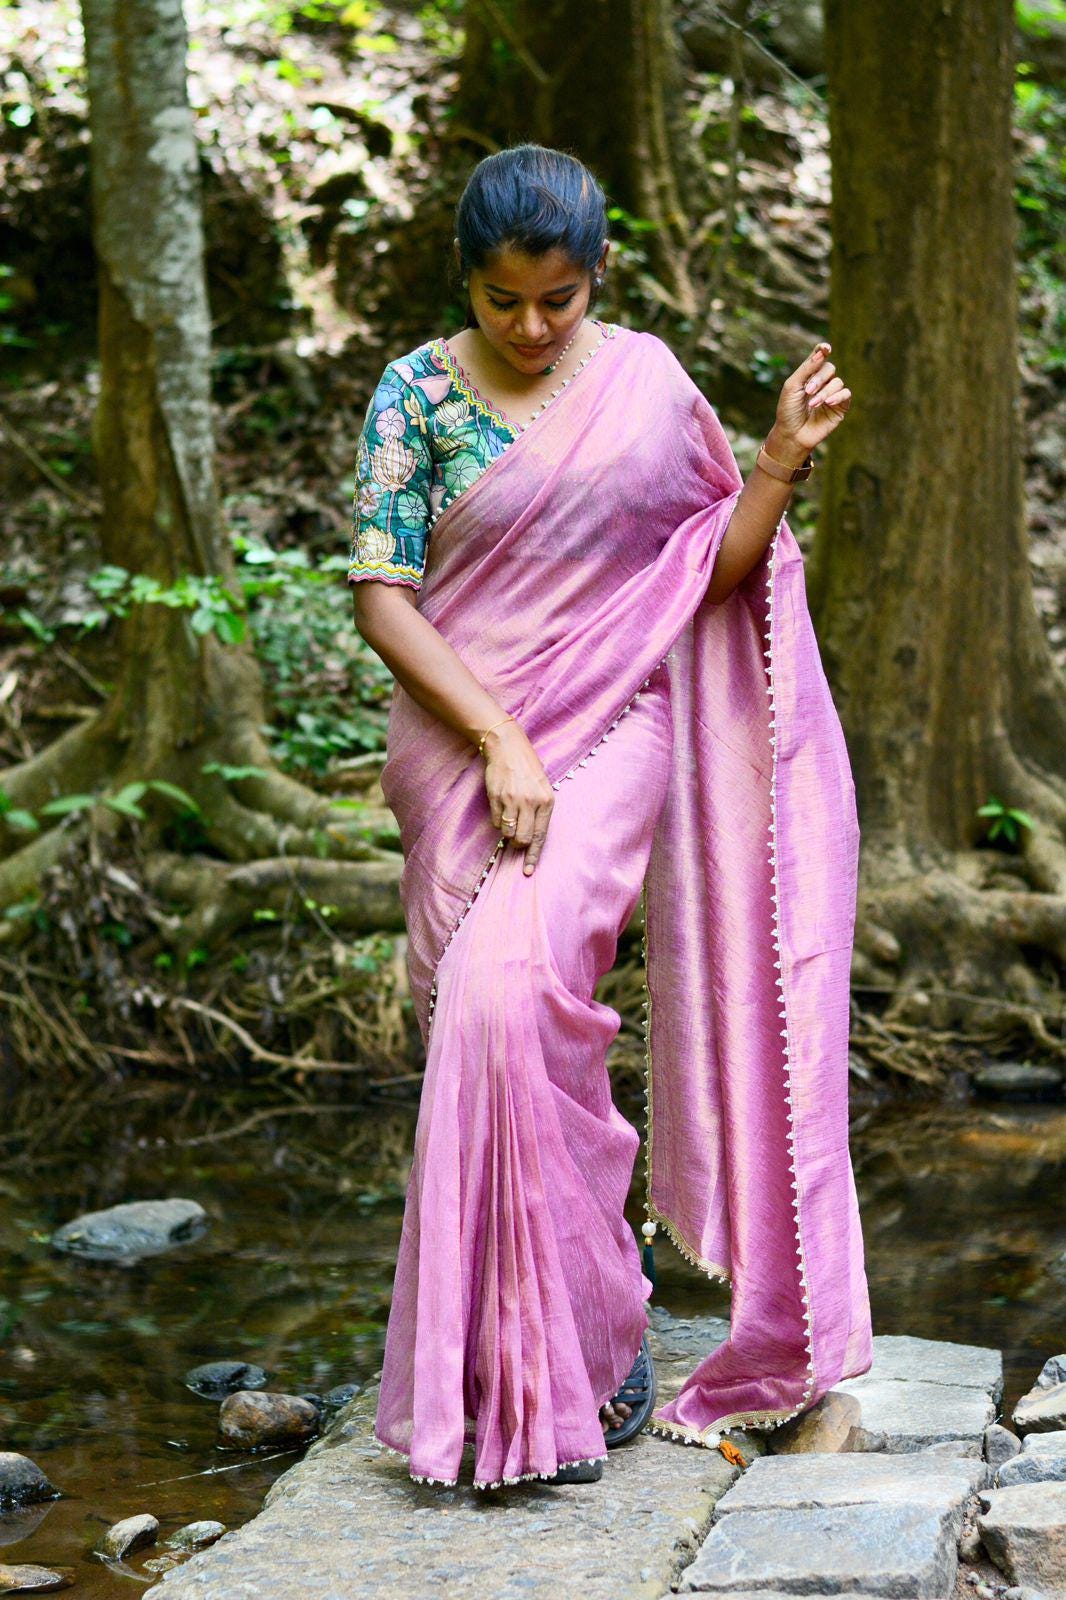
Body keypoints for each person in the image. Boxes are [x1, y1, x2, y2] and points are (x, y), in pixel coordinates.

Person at [347, 142, 874, 1492]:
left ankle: (579, 1345)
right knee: (486, 1024)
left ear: (595, 283)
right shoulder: (411, 393)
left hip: (616, 726)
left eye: (558, 301)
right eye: (501, 301)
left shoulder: (641, 385)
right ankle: (549, 1354)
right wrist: (497, 736)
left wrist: (771, 465)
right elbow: (383, 593)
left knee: (515, 999)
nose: (530, 328)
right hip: (471, 744)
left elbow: (708, 575)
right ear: (463, 280)